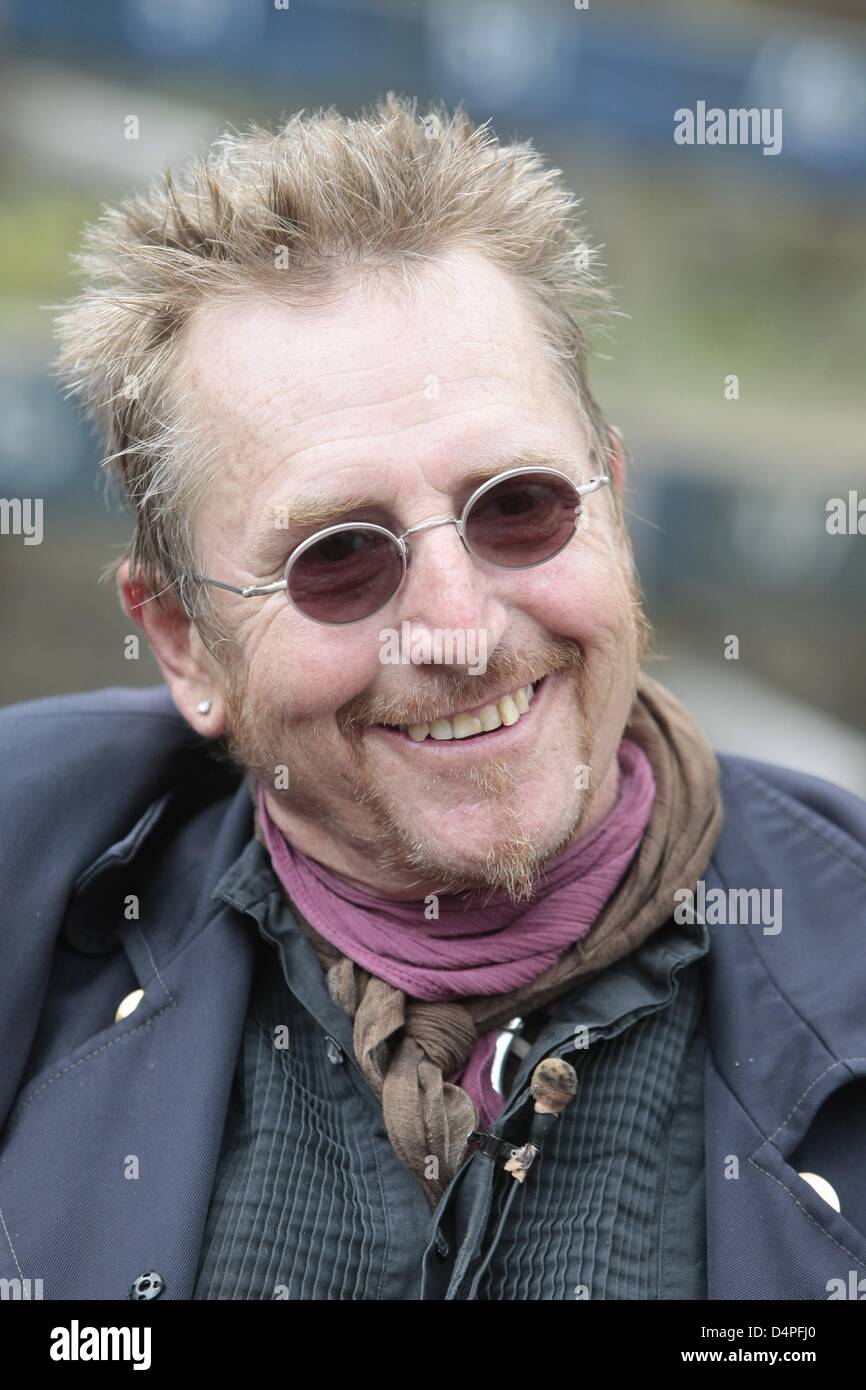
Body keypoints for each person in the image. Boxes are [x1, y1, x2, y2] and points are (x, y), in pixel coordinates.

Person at [2, 95, 865, 1302]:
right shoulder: (31, 901)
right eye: (338, 558)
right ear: (185, 643)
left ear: (610, 500)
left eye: (519, 506)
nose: (458, 629)